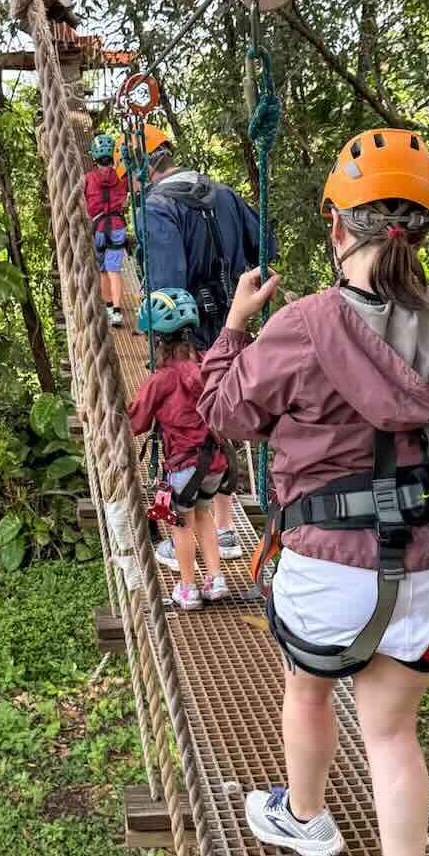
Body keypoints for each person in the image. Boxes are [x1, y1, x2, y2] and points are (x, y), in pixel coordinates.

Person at [197, 128, 429, 856]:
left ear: (339, 228)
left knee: (308, 687)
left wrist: (232, 326)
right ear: (422, 231)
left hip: (333, 571)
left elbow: (225, 413)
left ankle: (305, 817)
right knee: (393, 730)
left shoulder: (300, 328)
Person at [122, 131, 265, 569]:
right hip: (236, 326)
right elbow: (265, 248)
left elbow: (167, 288)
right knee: (223, 422)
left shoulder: (155, 208)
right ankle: (223, 531)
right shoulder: (224, 194)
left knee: (192, 424)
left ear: (144, 168)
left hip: (192, 338)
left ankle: (198, 538)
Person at [126, 289, 232, 610]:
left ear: (158, 343)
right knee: (203, 514)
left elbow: (135, 422)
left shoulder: (161, 380)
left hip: (185, 466)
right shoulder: (204, 363)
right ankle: (216, 580)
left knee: (180, 522)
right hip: (215, 462)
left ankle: (188, 588)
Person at [85, 132, 129, 328]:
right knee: (114, 269)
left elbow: (82, 199)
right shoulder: (121, 177)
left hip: (98, 228)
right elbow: (128, 195)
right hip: (117, 226)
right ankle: (117, 311)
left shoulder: (88, 178)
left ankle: (110, 307)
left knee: (103, 270)